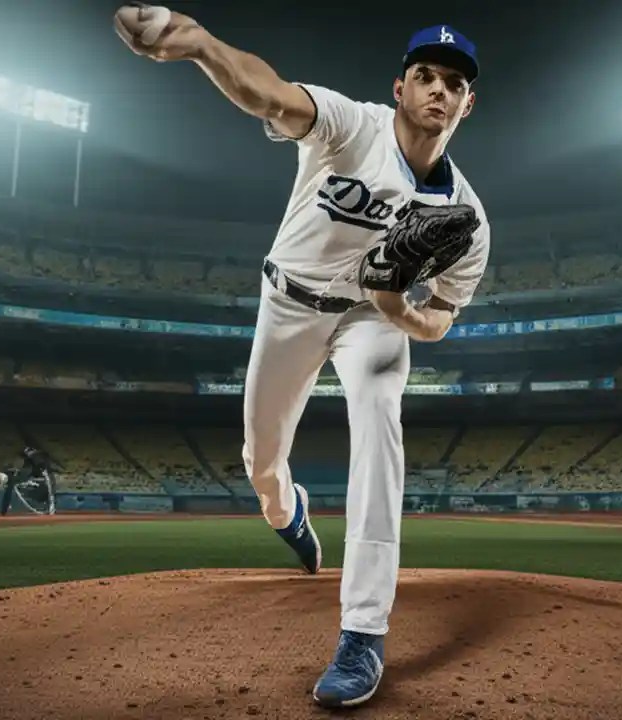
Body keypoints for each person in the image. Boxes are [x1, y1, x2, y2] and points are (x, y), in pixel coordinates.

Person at [114, 6, 490, 708]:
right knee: (260, 458)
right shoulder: (354, 126)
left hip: (370, 321)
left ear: (469, 102)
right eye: (425, 75)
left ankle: (363, 633)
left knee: (381, 416)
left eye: (454, 83)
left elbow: (440, 317)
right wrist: (199, 45)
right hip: (288, 303)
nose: (439, 89)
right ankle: (287, 512)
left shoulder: (468, 218)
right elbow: (273, 93)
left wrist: (398, 311)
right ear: (399, 88)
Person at [1, 446, 57, 516]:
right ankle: (51, 508)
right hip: (41, 479)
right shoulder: (33, 460)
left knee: (50, 492)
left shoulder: (37, 458)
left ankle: (51, 508)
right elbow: (28, 471)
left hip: (45, 480)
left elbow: (40, 470)